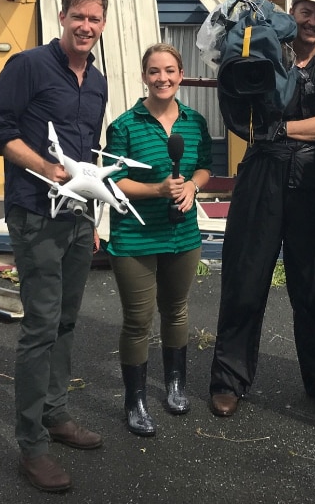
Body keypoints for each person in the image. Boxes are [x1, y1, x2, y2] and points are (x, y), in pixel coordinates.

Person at [0, 0, 109, 494]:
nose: (86, 26)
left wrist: (96, 215)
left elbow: (90, 153)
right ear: (62, 17)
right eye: (78, 16)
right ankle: (31, 446)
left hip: (79, 217)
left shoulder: (96, 82)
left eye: (95, 19)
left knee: (68, 319)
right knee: (40, 325)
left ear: (102, 25)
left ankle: (55, 414)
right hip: (35, 213)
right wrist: (45, 168)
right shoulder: (29, 66)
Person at [208, 0, 315, 417]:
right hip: (260, 180)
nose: (312, 22)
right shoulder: (259, 52)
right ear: (294, 10)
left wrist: (283, 130)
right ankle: (228, 380)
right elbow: (237, 115)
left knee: (312, 289)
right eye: (307, 12)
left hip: (310, 186)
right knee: (245, 282)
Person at [104, 44, 212, 437]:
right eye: (154, 71)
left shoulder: (194, 122)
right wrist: (159, 190)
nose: (162, 78)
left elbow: (205, 167)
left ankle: (176, 385)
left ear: (181, 75)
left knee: (177, 310)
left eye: (169, 70)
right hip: (134, 236)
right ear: (144, 77)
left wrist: (193, 189)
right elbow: (113, 179)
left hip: (183, 234)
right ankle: (134, 401)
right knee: (137, 321)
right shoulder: (124, 125)